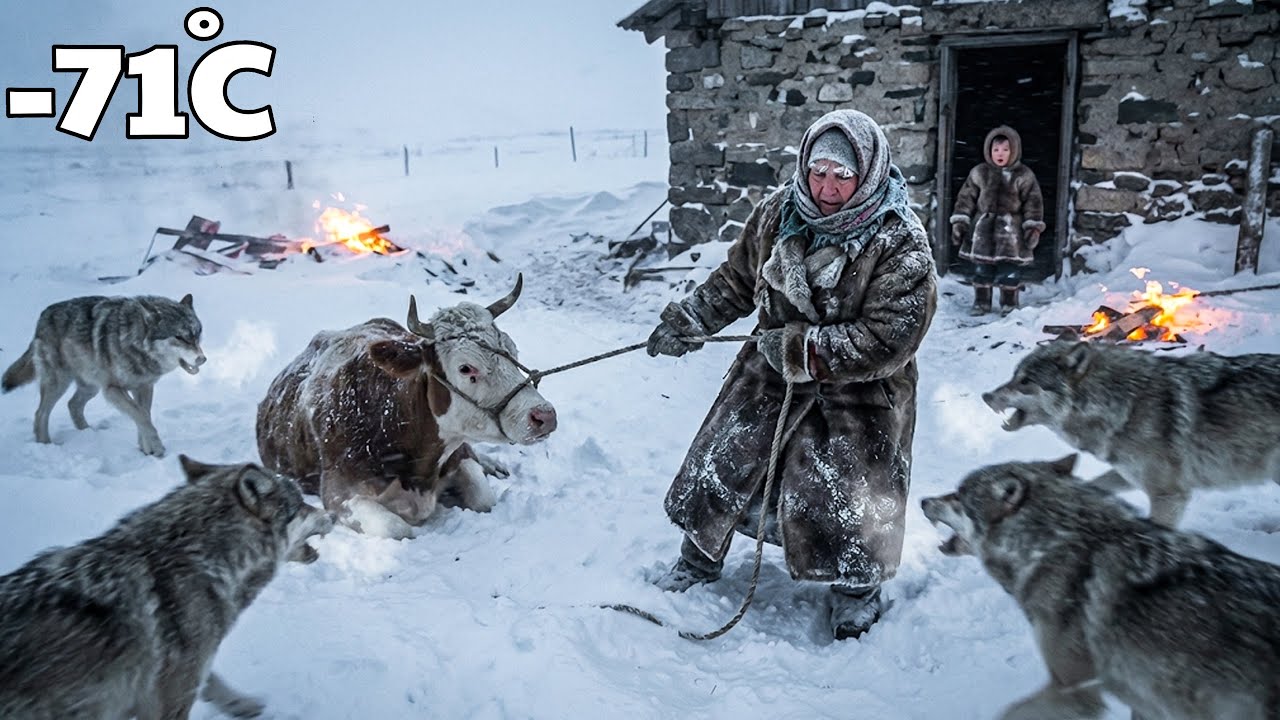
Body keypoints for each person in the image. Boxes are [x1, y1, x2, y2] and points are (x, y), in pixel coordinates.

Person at [645, 109, 937, 641]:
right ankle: (700, 556)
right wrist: (692, 320)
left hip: (860, 394)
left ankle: (856, 589)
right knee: (726, 464)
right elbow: (737, 279)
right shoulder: (779, 211)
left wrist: (807, 350)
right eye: (818, 172)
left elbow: (891, 337)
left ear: (867, 173)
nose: (826, 189)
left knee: (854, 498)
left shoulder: (899, 241)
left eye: (842, 176)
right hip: (768, 374)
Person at [950, 125, 1046, 316]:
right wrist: (960, 222)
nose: (1000, 154)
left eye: (1005, 149)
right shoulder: (979, 173)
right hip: (982, 231)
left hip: (1011, 233)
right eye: (996, 150)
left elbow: (1033, 202)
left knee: (1009, 271)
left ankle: (1009, 303)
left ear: (1014, 150)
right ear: (988, 151)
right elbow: (966, 198)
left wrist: (1032, 227)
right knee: (981, 269)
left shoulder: (1024, 175)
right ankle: (981, 302)